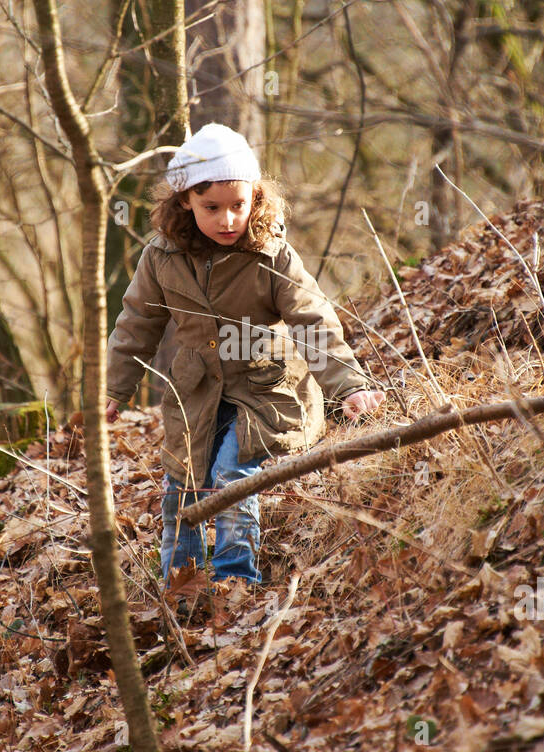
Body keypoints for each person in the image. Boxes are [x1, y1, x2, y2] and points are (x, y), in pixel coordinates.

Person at [104, 123, 384, 591]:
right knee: (182, 483)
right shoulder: (160, 257)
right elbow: (137, 323)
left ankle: (237, 583)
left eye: (240, 205)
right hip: (196, 392)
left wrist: (348, 386)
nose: (228, 219)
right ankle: (181, 584)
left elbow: (311, 318)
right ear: (185, 201)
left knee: (232, 474)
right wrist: (114, 390)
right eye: (211, 208)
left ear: (256, 197)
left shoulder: (272, 254)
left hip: (266, 387)